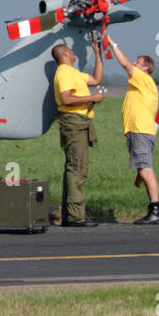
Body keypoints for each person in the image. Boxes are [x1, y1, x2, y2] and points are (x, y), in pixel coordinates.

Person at [106, 37, 159, 224]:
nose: (133, 64)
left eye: (137, 63)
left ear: (145, 67)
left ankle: (155, 210)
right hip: (137, 131)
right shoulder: (139, 84)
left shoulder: (143, 79)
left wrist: (113, 45)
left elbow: (124, 64)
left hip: (140, 131)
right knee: (144, 168)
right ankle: (154, 210)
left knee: (146, 169)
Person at [51, 38, 105, 226]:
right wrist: (92, 98)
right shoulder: (64, 73)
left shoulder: (72, 72)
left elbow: (96, 79)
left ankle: (70, 215)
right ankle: (75, 217)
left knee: (75, 167)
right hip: (74, 123)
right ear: (66, 54)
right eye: (71, 51)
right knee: (77, 169)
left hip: (80, 123)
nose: (74, 53)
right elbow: (66, 99)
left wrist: (99, 55)